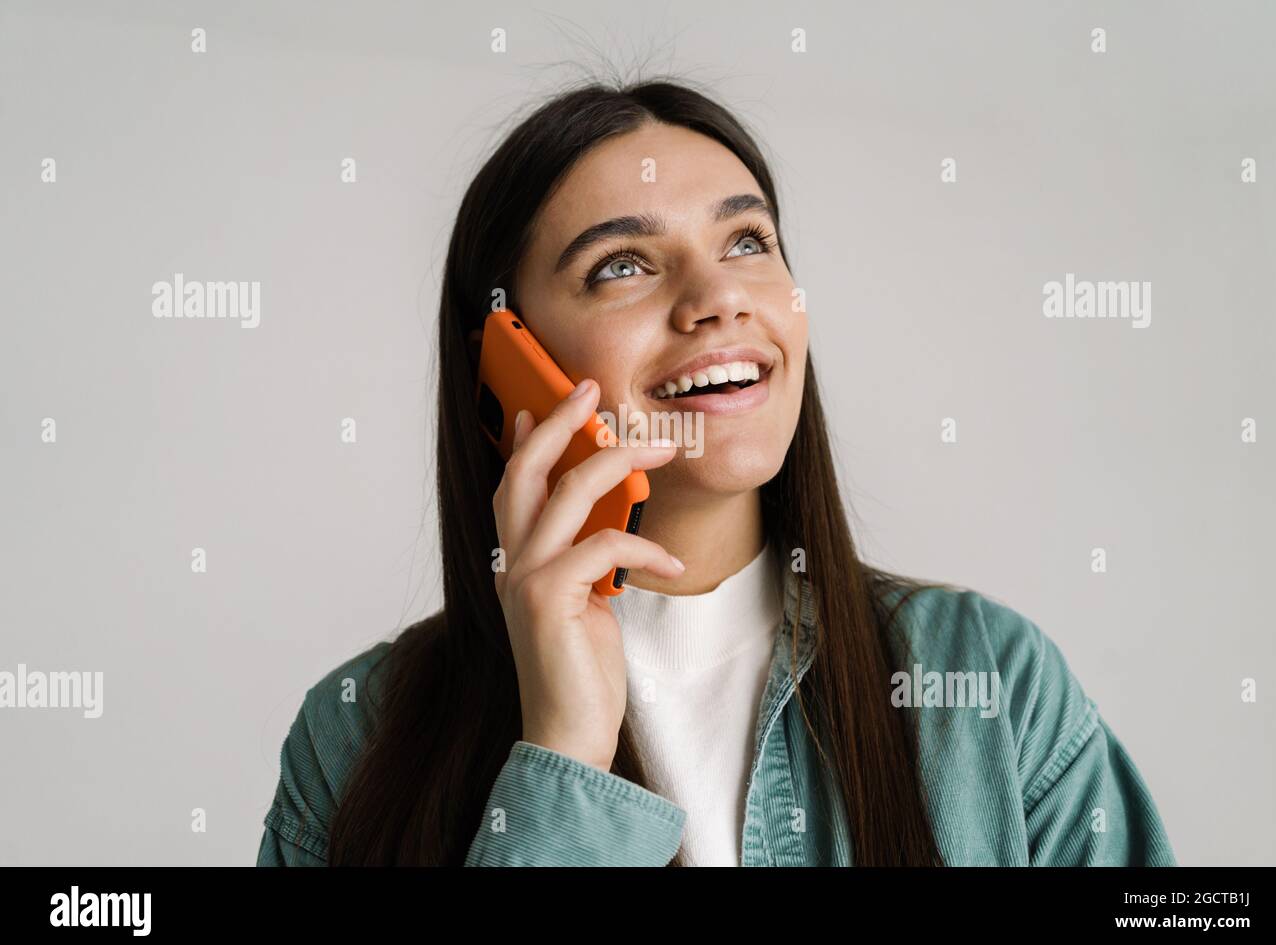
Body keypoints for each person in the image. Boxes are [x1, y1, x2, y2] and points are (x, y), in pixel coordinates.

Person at [257, 77, 1176, 867]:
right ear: (507, 365)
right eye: (623, 264)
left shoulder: (989, 683)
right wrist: (565, 758)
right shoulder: (355, 739)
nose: (718, 299)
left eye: (747, 243)